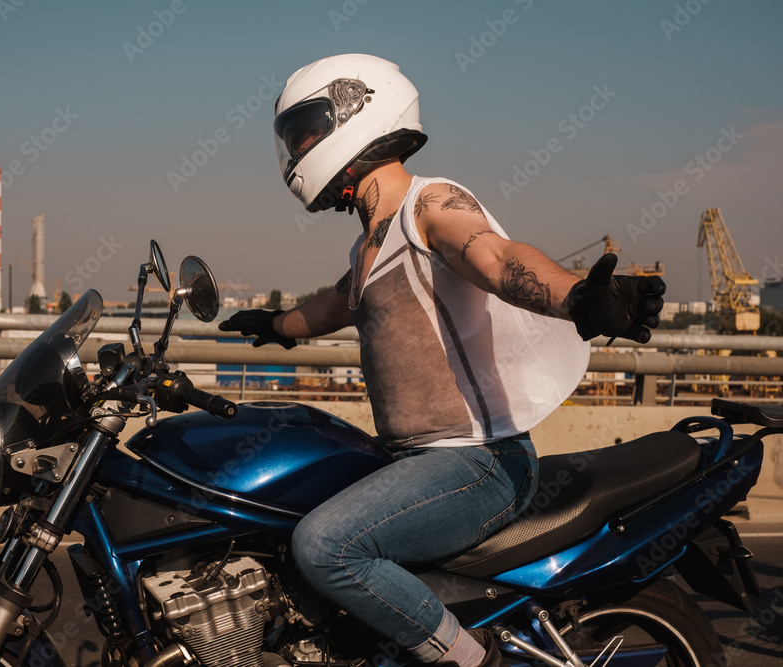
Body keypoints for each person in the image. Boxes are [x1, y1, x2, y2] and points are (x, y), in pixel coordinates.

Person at [219, 54, 665, 667]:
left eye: (306, 130)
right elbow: (333, 307)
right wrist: (273, 326)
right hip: (419, 461)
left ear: (357, 112)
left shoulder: (430, 203)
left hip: (477, 462)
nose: (298, 148)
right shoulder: (369, 243)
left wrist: (577, 297)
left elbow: (494, 258)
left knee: (324, 547)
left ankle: (471, 658)